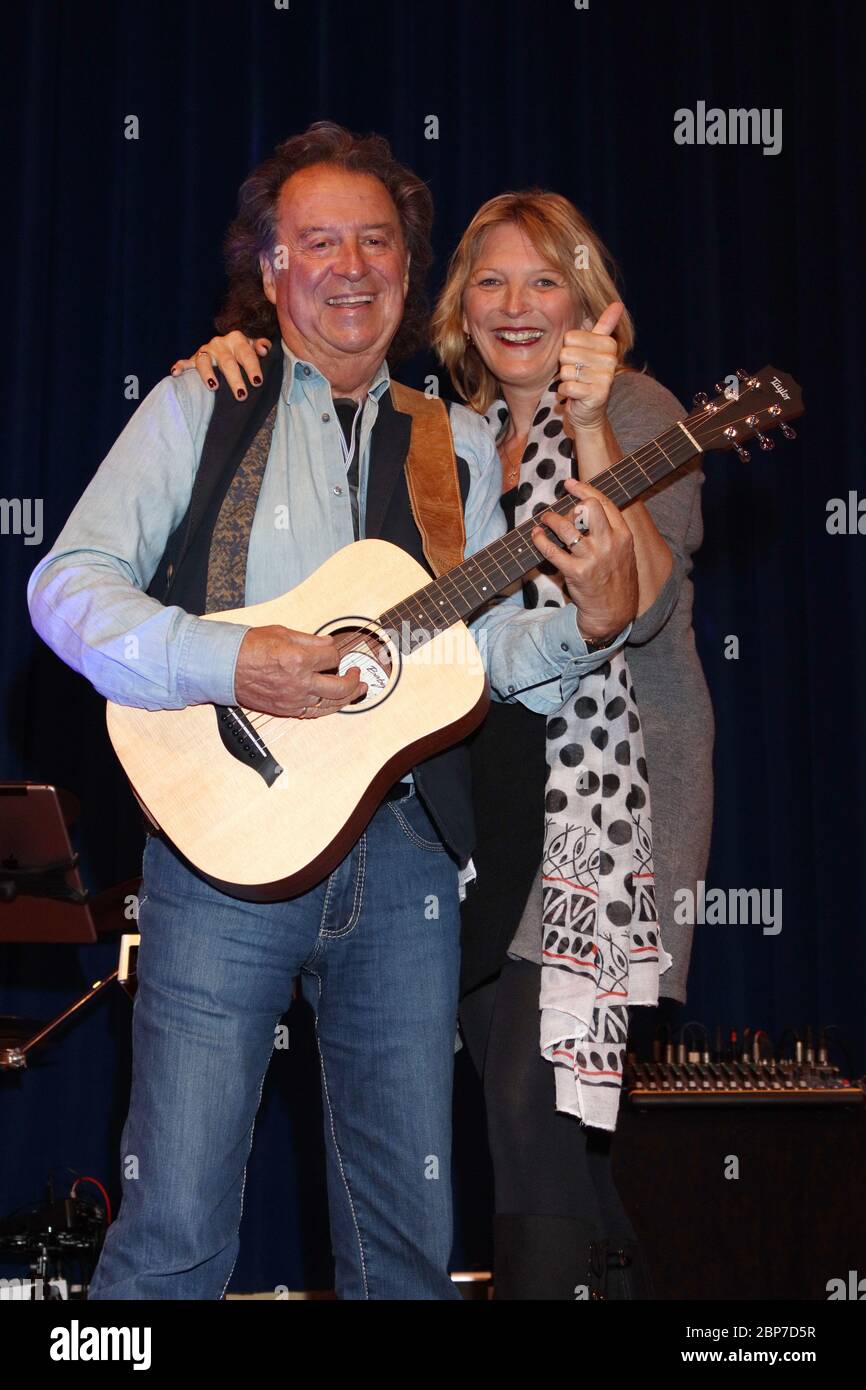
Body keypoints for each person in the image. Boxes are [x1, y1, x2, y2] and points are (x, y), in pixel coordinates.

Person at [27, 125, 639, 1301]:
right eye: (318, 242)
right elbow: (65, 588)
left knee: (405, 1241)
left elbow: (478, 652)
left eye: (375, 243)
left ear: (408, 277)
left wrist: (589, 616)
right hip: (223, 857)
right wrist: (227, 659)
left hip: (406, 867)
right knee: (174, 1231)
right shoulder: (201, 401)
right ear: (270, 271)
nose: (350, 266)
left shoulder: (453, 440)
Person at [183, 188, 714, 1300]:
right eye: (488, 280)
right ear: (455, 305)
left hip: (592, 820)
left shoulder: (645, 408)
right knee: (546, 1136)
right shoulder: (448, 432)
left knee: (530, 1111)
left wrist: (598, 422)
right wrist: (240, 349)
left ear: (587, 299)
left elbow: (649, 604)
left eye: (542, 280)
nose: (514, 305)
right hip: (475, 810)